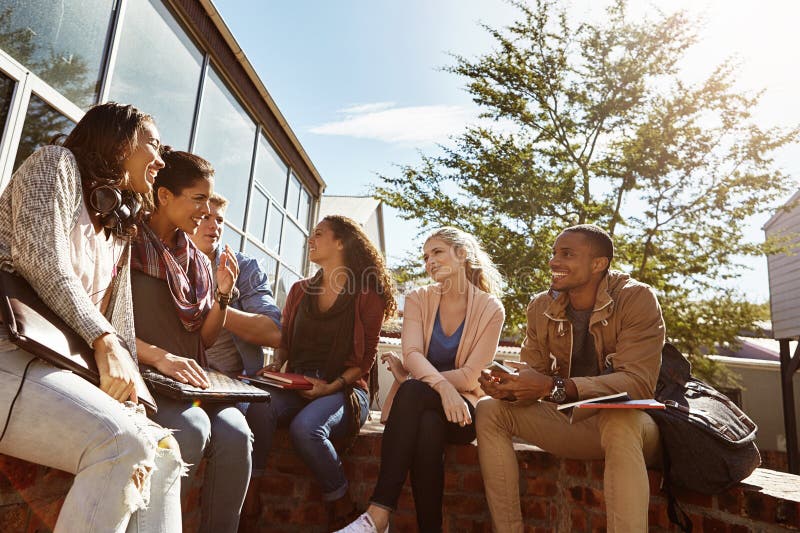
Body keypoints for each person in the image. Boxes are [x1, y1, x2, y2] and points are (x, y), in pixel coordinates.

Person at [0, 102, 183, 532]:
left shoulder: (119, 224)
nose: (161, 161)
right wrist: (104, 341)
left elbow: (119, 322)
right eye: (152, 145)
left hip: (54, 370)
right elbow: (41, 260)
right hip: (7, 350)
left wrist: (135, 392)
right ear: (117, 141)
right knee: (122, 444)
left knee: (164, 451)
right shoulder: (54, 164)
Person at [476, 224, 665, 533]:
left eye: (566, 254)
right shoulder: (541, 306)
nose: (554, 262)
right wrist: (510, 388)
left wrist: (555, 386)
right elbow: (536, 375)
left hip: (636, 431)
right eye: (554, 254)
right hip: (577, 423)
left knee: (619, 420)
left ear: (598, 263)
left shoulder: (636, 298)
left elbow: (637, 384)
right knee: (489, 409)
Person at [339, 227, 505, 533]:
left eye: (437, 252)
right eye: (426, 257)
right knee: (428, 425)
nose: (429, 262)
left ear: (462, 254)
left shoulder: (491, 309)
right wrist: (442, 387)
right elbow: (412, 353)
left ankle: (378, 516)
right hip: (422, 405)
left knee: (414, 391)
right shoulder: (418, 298)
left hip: (462, 411)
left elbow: (471, 375)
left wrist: (416, 380)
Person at [245, 215, 397, 530]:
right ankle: (250, 499)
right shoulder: (299, 290)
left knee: (306, 429)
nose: (310, 240)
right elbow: (285, 342)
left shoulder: (368, 296)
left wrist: (329, 388)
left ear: (340, 242)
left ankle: (343, 507)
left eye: (318, 234)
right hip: (297, 384)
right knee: (259, 406)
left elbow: (364, 362)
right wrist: (276, 366)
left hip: (345, 389)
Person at [131, 149, 251, 533]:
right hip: (142, 374)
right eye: (199, 199)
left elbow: (205, 337)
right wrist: (159, 357)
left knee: (237, 433)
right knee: (194, 427)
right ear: (164, 195)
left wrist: (223, 293)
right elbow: (103, 320)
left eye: (208, 199)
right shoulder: (127, 239)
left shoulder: (196, 260)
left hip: (189, 381)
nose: (206, 210)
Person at [190, 193, 281, 376]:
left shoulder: (245, 267)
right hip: (176, 372)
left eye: (220, 220)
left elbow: (273, 333)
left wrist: (216, 303)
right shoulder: (168, 261)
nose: (215, 225)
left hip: (229, 379)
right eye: (206, 217)